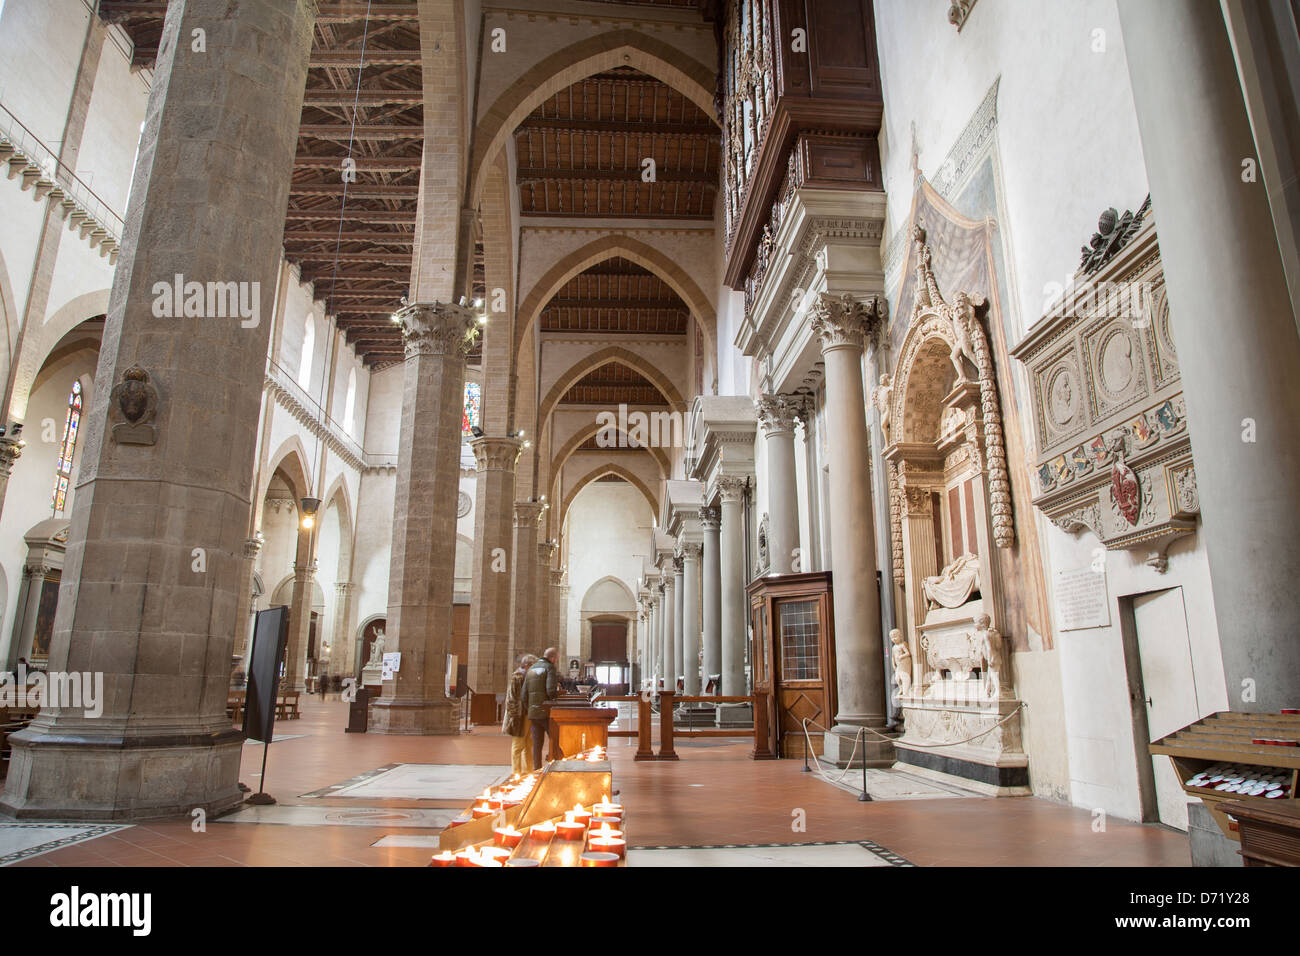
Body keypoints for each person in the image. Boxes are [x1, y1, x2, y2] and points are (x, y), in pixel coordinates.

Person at [524, 647, 560, 769]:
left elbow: (524, 695)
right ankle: (555, 766)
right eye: (557, 659)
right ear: (553, 658)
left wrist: (530, 708)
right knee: (556, 740)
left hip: (533, 713)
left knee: (537, 744)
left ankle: (537, 770)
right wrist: (555, 700)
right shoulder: (550, 668)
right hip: (547, 712)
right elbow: (551, 690)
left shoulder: (531, 669)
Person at [503, 653, 537, 775]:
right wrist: (513, 716)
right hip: (519, 715)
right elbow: (512, 698)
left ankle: (528, 770)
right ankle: (516, 772)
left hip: (527, 713)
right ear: (527, 665)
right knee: (518, 745)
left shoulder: (527, 677)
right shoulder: (518, 677)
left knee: (528, 743)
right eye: (534, 665)